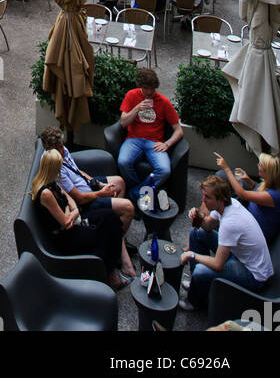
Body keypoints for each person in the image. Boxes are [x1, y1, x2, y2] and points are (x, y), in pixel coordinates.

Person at [40, 127, 136, 277]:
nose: (63, 149)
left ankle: (117, 241)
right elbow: (78, 198)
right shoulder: (53, 164)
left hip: (88, 186)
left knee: (119, 183)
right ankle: (120, 253)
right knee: (128, 208)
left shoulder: (63, 150)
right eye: (58, 147)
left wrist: (98, 184)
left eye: (62, 145)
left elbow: (77, 171)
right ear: (50, 149)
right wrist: (101, 193)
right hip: (85, 201)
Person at [31, 150, 127, 288]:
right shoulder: (46, 193)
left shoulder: (52, 182)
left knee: (111, 217)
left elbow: (70, 201)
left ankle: (110, 267)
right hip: (66, 237)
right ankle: (107, 273)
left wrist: (73, 211)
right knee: (105, 232)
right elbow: (66, 222)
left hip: (75, 221)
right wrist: (71, 211)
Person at [180, 174, 273, 311]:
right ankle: (198, 285)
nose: (203, 200)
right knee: (196, 233)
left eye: (208, 197)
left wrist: (191, 255)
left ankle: (195, 301)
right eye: (204, 196)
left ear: (220, 199)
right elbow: (207, 226)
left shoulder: (230, 223)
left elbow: (218, 264)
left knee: (200, 270)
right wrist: (198, 218)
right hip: (241, 257)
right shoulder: (228, 205)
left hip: (254, 275)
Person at [117, 67, 183, 205]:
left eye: (152, 89)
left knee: (164, 170)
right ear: (140, 86)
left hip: (154, 142)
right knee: (123, 162)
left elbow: (178, 130)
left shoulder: (163, 102)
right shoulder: (132, 95)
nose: (149, 92)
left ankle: (135, 193)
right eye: (146, 88)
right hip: (133, 139)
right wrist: (137, 108)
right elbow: (123, 123)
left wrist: (167, 143)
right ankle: (142, 193)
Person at [214, 152, 280, 245]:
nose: (258, 165)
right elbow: (257, 190)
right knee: (218, 187)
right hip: (249, 214)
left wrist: (226, 168)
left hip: (255, 233)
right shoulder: (267, 183)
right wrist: (249, 181)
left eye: (260, 165)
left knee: (220, 203)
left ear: (267, 171)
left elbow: (242, 194)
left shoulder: (273, 195)